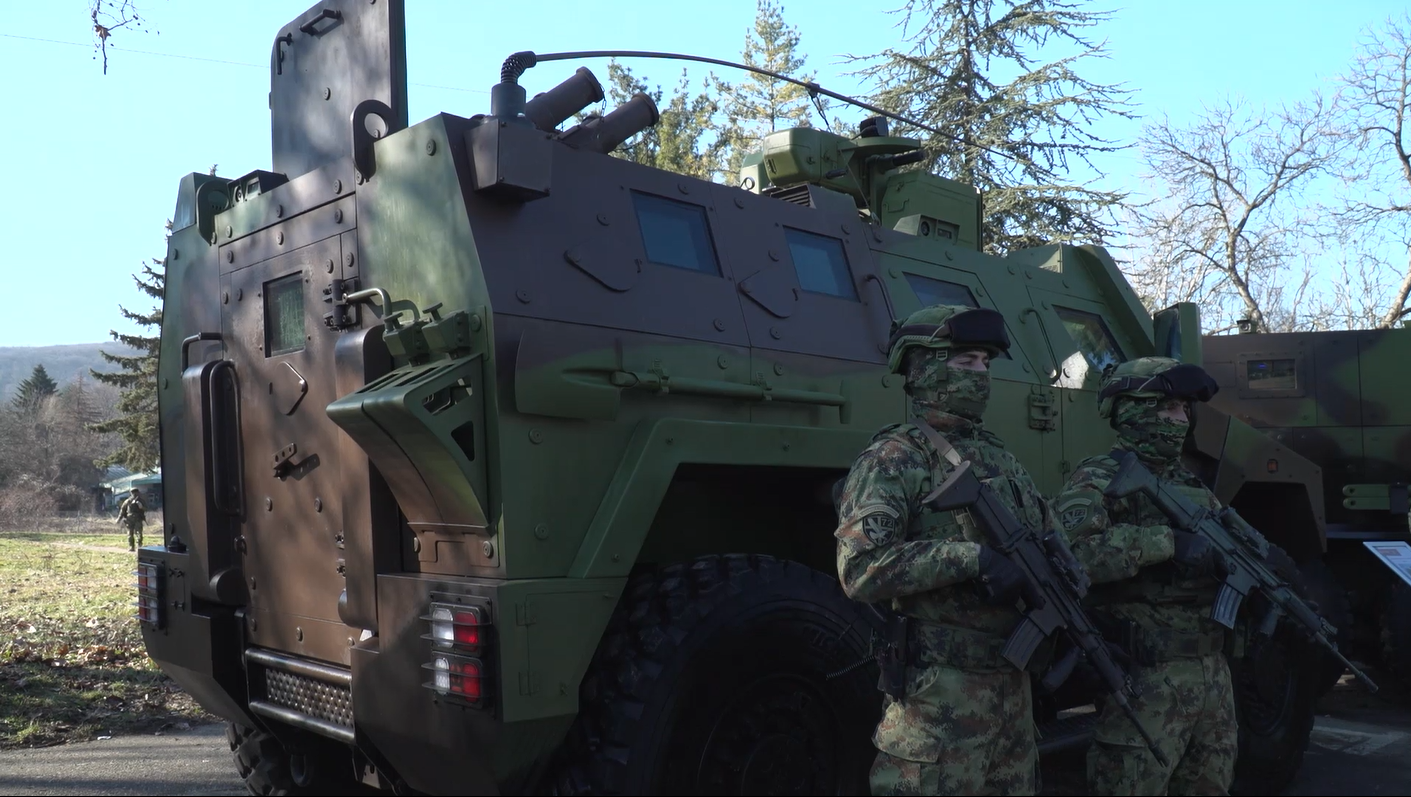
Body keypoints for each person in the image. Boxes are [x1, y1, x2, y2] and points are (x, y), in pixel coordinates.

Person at [834, 304, 1059, 796]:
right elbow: (861, 569)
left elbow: (1047, 538)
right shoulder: (896, 458)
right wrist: (971, 559)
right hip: (937, 700)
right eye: (965, 362)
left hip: (1010, 696)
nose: (980, 374)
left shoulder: (1003, 459)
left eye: (985, 363)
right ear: (924, 369)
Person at [1049, 356, 1234, 795]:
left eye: (1185, 410)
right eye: (1169, 408)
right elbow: (1072, 557)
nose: (1180, 419)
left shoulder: (1193, 486)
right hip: (1146, 678)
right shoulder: (1099, 478)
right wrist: (1165, 543)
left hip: (1211, 676)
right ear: (1133, 410)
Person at [117, 487, 147, 551]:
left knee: (138, 533)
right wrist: (119, 519)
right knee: (131, 533)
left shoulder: (141, 501)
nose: (135, 494)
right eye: (133, 492)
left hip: (137, 518)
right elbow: (122, 510)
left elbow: (146, 509)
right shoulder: (128, 501)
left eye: (135, 492)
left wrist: (141, 507)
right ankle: (132, 547)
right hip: (130, 519)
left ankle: (139, 546)